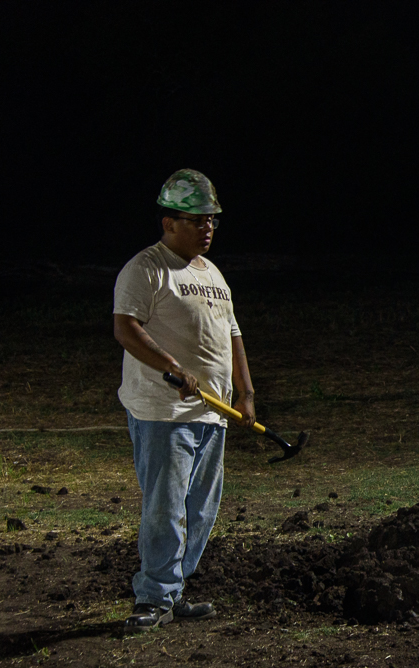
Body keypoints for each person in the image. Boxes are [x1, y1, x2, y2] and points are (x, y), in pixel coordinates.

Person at [112, 168, 255, 633]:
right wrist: (171, 366)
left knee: (200, 508)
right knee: (165, 506)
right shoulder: (146, 269)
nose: (207, 227)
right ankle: (153, 596)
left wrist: (247, 392)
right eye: (196, 219)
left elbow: (232, 336)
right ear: (168, 223)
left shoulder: (211, 273)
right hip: (163, 411)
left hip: (212, 412)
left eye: (211, 219)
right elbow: (125, 328)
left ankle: (174, 590)